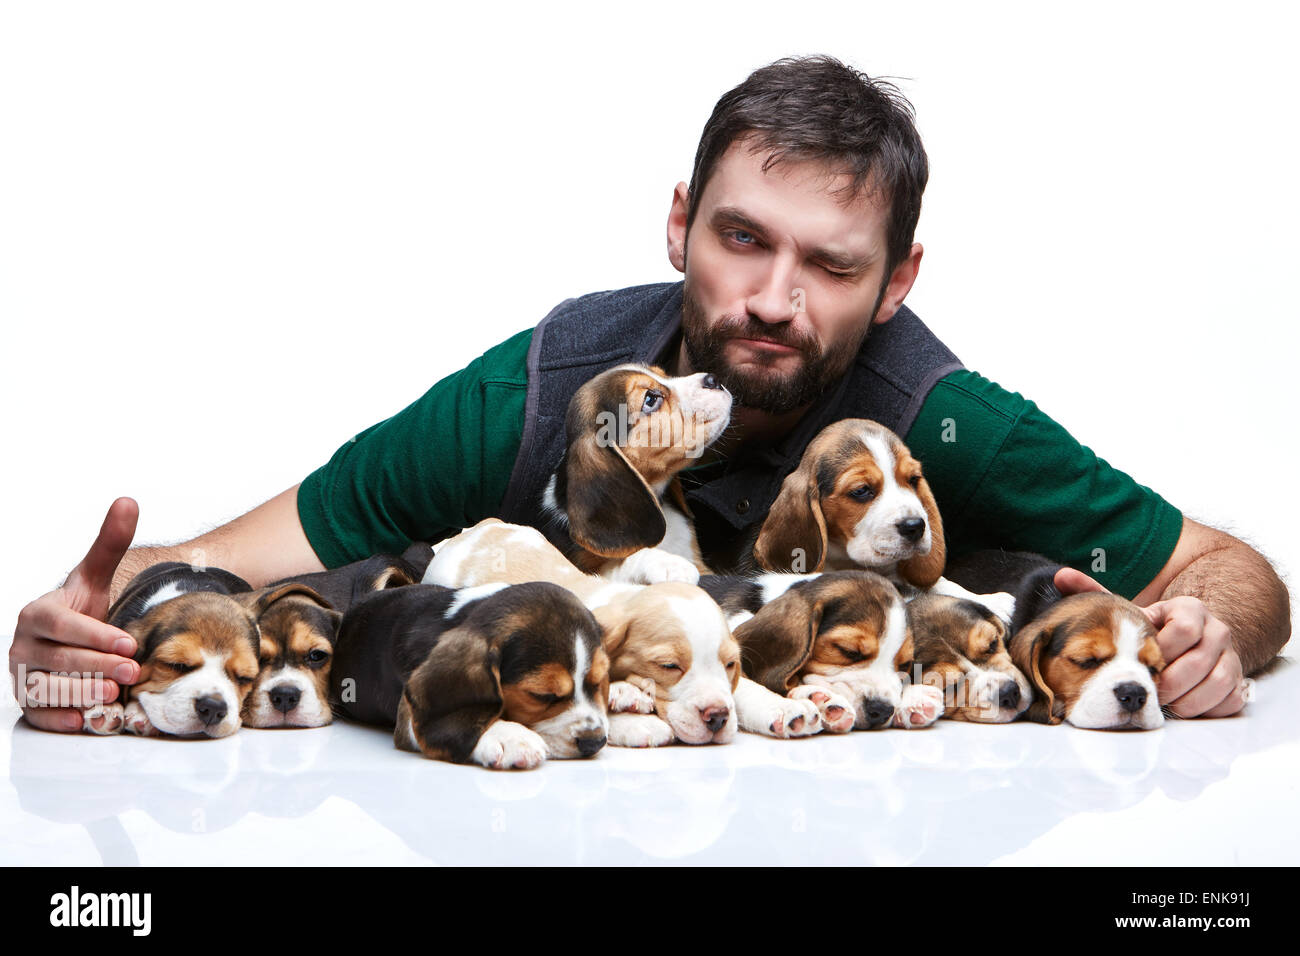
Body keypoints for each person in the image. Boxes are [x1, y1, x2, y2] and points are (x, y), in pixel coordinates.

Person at [10, 55, 1288, 734]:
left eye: (830, 263)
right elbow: (220, 562)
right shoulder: (545, 390)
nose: (773, 299)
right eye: (741, 238)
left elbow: (1232, 570)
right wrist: (84, 638)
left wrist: (1203, 636)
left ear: (896, 281)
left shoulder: (938, 420)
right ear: (678, 223)